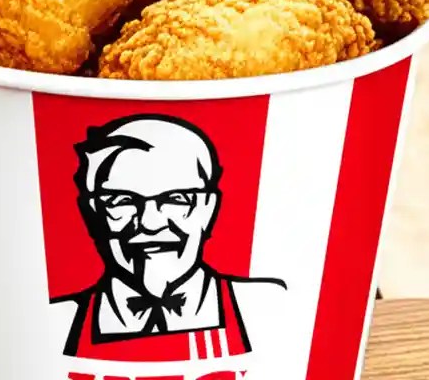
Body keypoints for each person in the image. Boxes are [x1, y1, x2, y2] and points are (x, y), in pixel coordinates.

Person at [50, 114, 287, 362]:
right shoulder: (55, 321)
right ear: (93, 212)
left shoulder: (263, 305)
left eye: (176, 199)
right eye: (122, 201)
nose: (151, 223)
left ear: (208, 207)